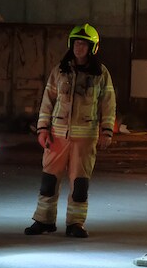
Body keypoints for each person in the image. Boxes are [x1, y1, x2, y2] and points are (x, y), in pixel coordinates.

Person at [25, 23, 116, 239]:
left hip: (85, 139)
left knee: (79, 185)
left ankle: (75, 223)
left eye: (84, 44)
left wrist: (106, 131)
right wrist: (42, 129)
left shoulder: (101, 74)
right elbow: (47, 102)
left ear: (92, 47)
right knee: (48, 181)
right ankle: (43, 220)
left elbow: (108, 104)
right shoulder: (60, 70)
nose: (79, 48)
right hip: (56, 137)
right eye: (76, 43)